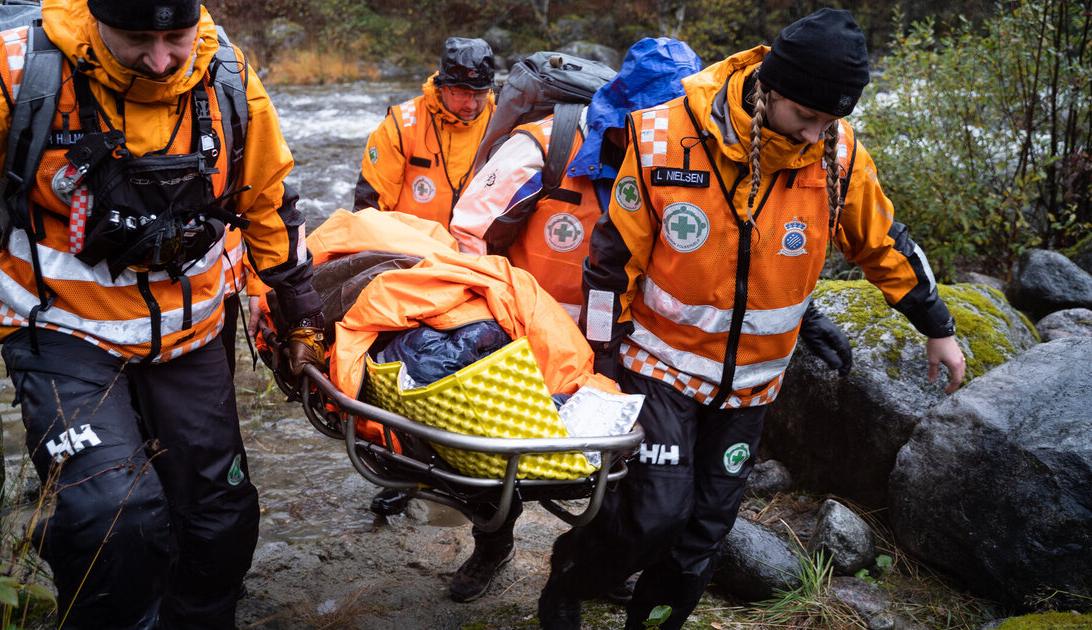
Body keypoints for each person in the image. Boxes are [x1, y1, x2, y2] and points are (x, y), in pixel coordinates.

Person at [0, 0, 326, 627]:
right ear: (97, 19)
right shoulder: (14, 73)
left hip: (190, 334)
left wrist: (301, 312)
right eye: (136, 39)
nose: (159, 60)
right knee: (115, 518)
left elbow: (267, 202)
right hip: (62, 331)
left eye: (175, 37)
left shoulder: (226, 74)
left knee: (220, 516)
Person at [535, 9, 966, 630]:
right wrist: (601, 363)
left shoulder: (838, 155)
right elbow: (610, 263)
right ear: (767, 87)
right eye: (805, 117)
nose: (818, 134)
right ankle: (572, 577)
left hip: (753, 385)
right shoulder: (661, 137)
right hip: (661, 366)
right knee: (655, 513)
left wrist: (938, 326)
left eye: (831, 120)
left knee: (703, 534)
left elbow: (884, 243)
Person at [446, 37, 704, 603]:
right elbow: (466, 233)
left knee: (616, 466)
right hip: (523, 339)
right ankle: (492, 547)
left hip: (621, 343)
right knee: (498, 463)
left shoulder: (681, 163)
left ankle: (593, 565)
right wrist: (481, 324)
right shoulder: (543, 148)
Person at [352, 36, 496, 230]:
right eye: (462, 93)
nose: (471, 105)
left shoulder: (502, 123)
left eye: (479, 94)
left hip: (474, 252)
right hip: (410, 250)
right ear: (442, 86)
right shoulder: (400, 126)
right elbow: (370, 209)